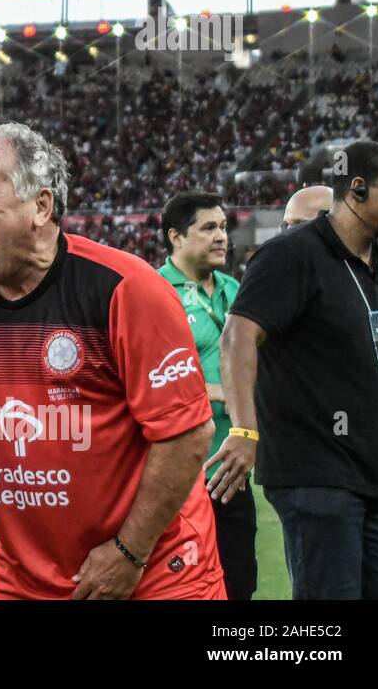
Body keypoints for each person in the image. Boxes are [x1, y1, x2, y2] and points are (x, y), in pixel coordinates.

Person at [0, 123, 224, 599]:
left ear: (41, 206)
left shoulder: (124, 289)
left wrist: (129, 552)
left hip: (157, 574)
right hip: (28, 579)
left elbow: (185, 433)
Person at [211, 140, 378, 599]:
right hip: (316, 473)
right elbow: (238, 336)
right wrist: (244, 429)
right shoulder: (291, 255)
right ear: (357, 189)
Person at [157, 192, 255, 600]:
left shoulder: (237, 288)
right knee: (181, 588)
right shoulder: (154, 291)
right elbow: (152, 377)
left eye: (223, 228)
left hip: (233, 467)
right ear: (176, 237)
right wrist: (226, 393)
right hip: (180, 475)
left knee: (240, 584)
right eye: (208, 228)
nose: (221, 237)